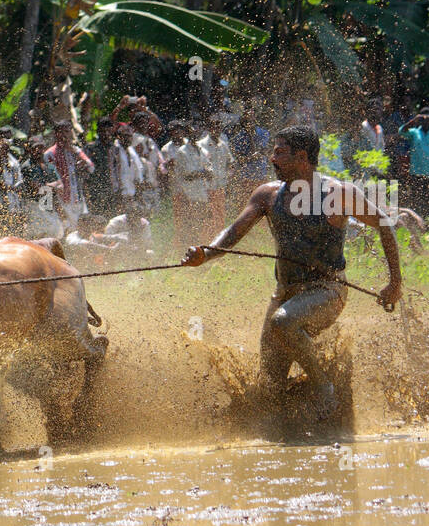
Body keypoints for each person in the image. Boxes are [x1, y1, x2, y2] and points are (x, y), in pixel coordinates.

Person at [182, 126, 403, 421]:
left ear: (301, 157)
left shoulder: (339, 194)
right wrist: (205, 253)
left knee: (283, 323)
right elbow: (233, 233)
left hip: (328, 290)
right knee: (269, 386)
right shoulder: (267, 195)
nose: (272, 158)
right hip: (284, 292)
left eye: (279, 152)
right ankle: (289, 431)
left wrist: (395, 283)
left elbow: (385, 224)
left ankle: (325, 387)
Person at [161, 120, 211, 256]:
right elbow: (183, 174)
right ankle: (185, 250)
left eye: (197, 132)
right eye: (192, 132)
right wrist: (201, 173)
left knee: (200, 221)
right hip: (183, 191)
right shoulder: (176, 150)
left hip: (199, 191)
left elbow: (207, 167)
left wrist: (205, 173)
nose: (195, 134)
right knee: (186, 223)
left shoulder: (199, 149)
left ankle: (200, 249)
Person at [43, 120, 94, 236]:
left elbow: (91, 167)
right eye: (63, 132)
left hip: (79, 197)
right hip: (64, 200)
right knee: (70, 232)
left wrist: (74, 153)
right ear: (57, 134)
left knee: (84, 231)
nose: (66, 135)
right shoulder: (49, 154)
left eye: (68, 132)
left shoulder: (75, 150)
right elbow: (50, 179)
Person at [397, 107, 429, 214]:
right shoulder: (414, 132)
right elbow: (401, 132)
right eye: (423, 117)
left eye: (428, 118)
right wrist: (413, 121)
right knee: (417, 201)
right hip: (417, 172)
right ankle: (419, 223)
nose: (425, 120)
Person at [198, 114, 234, 235]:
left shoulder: (223, 144)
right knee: (208, 216)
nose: (216, 130)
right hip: (207, 187)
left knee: (220, 215)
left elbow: (230, 162)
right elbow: (200, 165)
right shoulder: (201, 144)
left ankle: (219, 242)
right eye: (214, 127)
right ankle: (206, 241)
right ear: (209, 128)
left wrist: (229, 175)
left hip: (221, 185)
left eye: (219, 127)